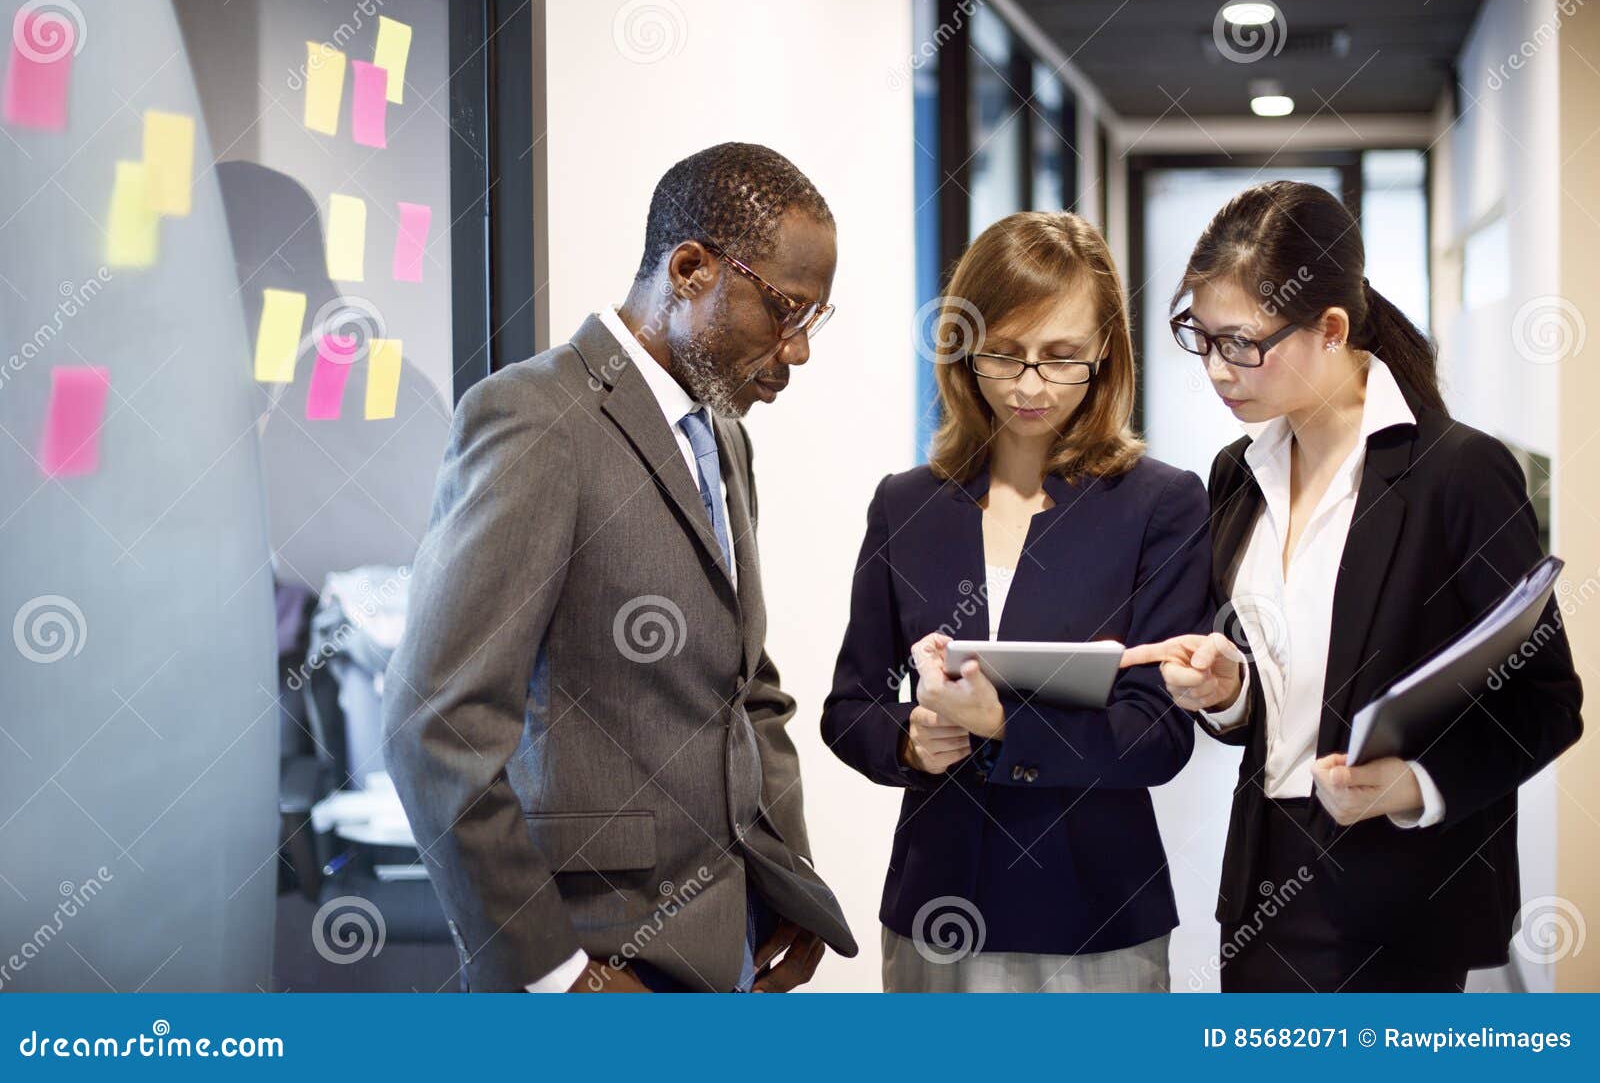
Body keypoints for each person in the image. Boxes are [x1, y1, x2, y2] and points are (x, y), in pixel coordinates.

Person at [384, 143, 858, 993]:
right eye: (784, 310)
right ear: (690, 270)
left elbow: (745, 687)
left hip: (731, 945)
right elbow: (437, 724)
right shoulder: (537, 420)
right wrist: (554, 973)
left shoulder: (723, 438)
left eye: (813, 320)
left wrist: (788, 882)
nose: (798, 352)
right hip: (597, 958)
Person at [1122, 180, 1584, 991]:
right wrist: (1229, 692)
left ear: (1331, 328)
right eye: (1201, 336)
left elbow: (1545, 702)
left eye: (1241, 343)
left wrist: (1412, 785)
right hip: (1263, 880)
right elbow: (1275, 709)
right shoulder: (1238, 474)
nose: (1217, 370)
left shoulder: (1457, 474)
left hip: (1401, 892)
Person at [821, 211, 1210, 992]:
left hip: (1093, 917)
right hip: (935, 913)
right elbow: (849, 707)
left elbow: (1159, 736)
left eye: (1061, 357)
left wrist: (1002, 725)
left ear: (1106, 352)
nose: (1030, 386)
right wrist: (909, 740)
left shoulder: (1159, 505)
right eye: (1005, 354)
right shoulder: (907, 505)